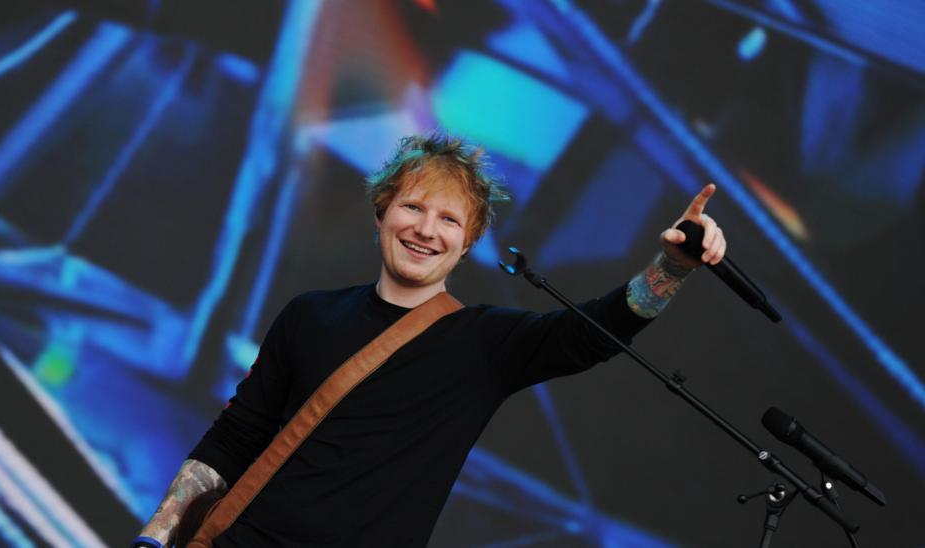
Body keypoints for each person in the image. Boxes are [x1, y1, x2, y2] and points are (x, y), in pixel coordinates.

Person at [133, 134, 726, 547]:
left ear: (468, 243)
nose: (426, 229)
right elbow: (234, 437)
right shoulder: (308, 315)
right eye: (413, 206)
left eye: (449, 219)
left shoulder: (483, 342)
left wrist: (671, 268)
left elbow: (595, 333)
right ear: (381, 214)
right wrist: (156, 537)